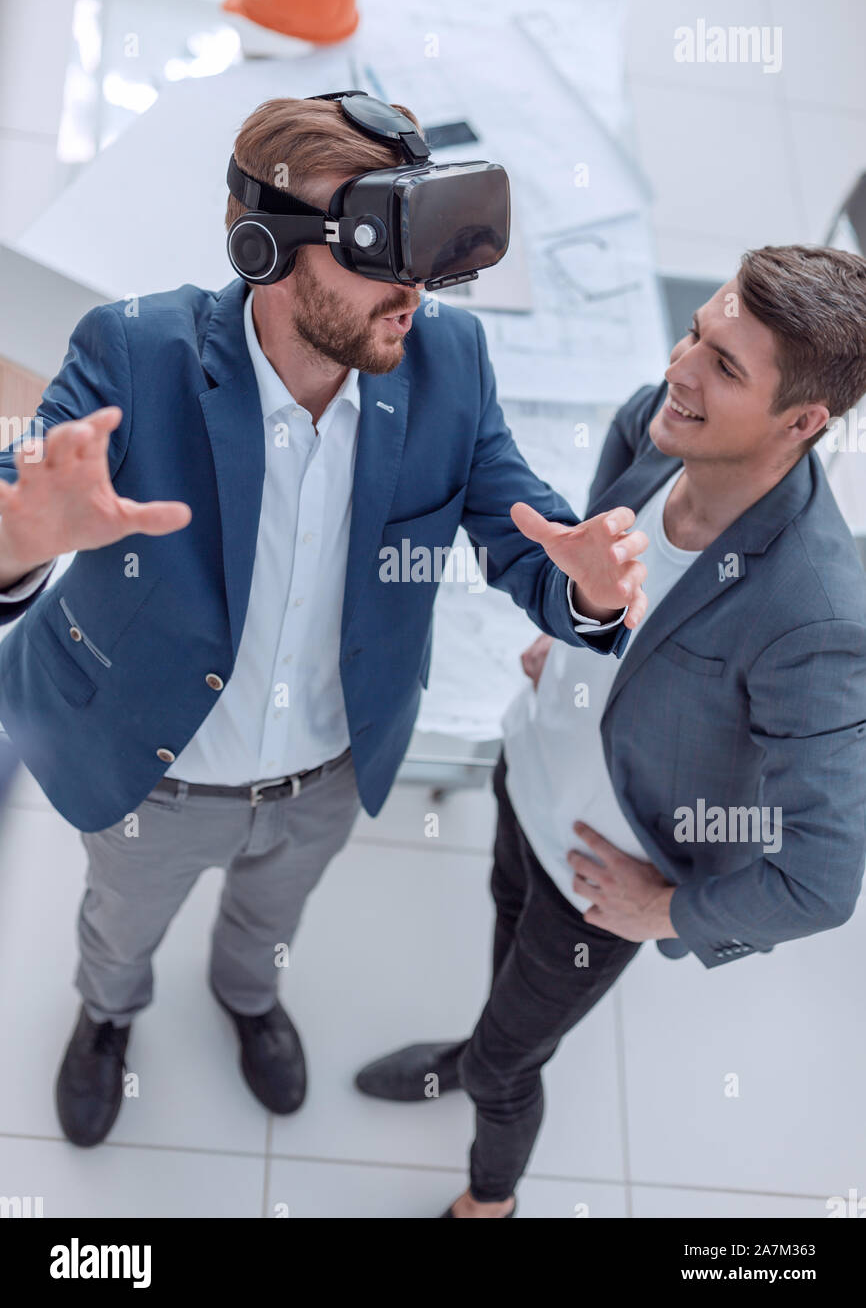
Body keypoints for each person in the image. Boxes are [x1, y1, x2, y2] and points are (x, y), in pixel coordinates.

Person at [0, 94, 649, 1148]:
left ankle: (248, 1000)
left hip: (327, 772)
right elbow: (14, 498)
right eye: (379, 257)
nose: (412, 294)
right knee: (120, 928)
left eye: (426, 255)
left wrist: (586, 589)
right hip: (152, 772)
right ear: (267, 251)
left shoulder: (448, 363)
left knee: (269, 922)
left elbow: (525, 531)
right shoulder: (132, 350)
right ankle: (109, 1016)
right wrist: (23, 536)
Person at [355, 245, 866, 1218]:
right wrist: (574, 633)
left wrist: (663, 913)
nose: (679, 370)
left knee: (512, 1063)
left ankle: (486, 1199)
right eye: (696, 335)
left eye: (724, 367)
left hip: (602, 878)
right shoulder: (652, 423)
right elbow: (600, 558)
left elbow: (821, 878)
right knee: (501, 928)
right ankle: (480, 1045)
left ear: (801, 422)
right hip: (532, 771)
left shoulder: (814, 615)